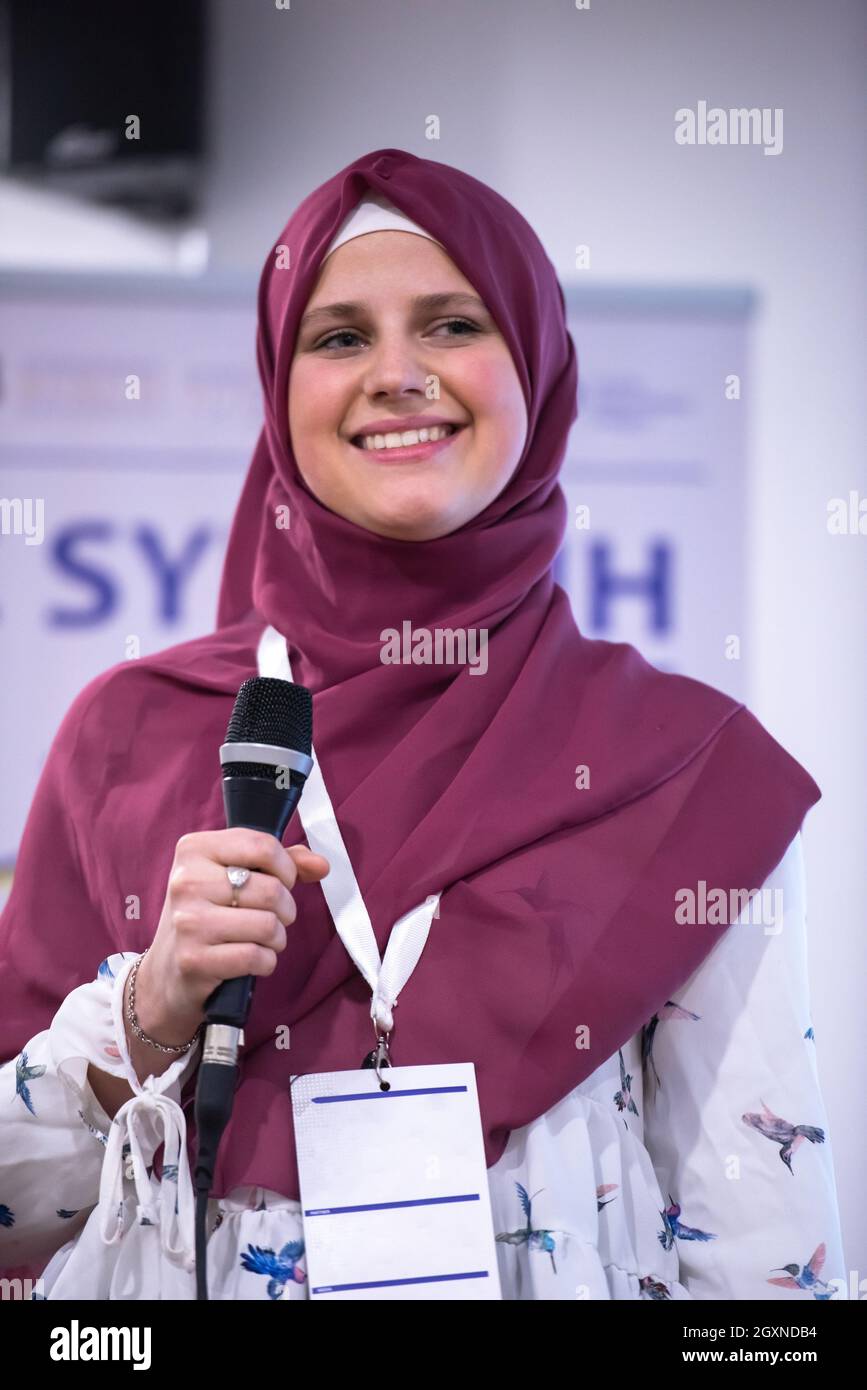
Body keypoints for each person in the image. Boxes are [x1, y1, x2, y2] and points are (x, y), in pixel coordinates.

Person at [0, 148, 846, 1301]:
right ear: (277, 388)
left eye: (452, 325)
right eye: (339, 337)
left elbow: (768, 1275)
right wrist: (146, 1012)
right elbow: (12, 1220)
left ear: (538, 370)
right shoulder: (130, 738)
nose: (397, 373)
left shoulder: (682, 770)